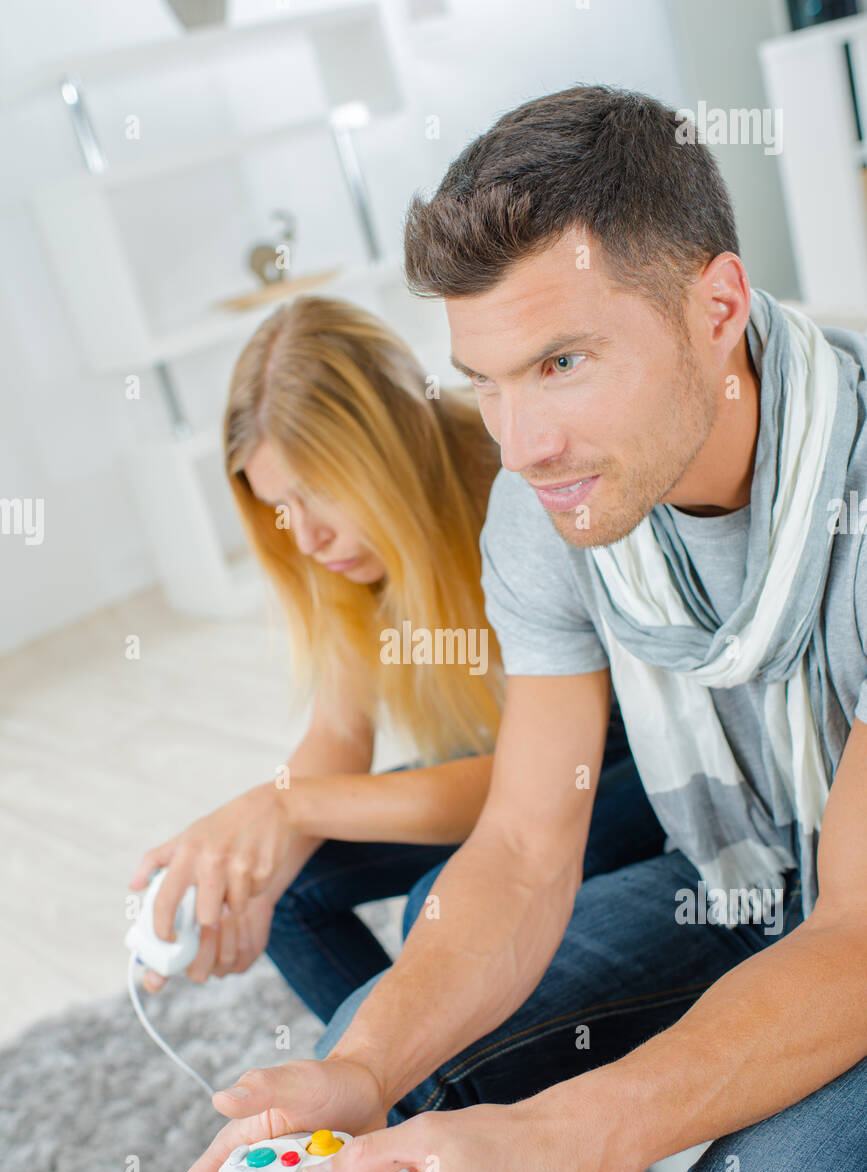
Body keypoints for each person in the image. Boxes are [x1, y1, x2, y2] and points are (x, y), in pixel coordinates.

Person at [171, 85, 867, 1172]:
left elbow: (856, 936)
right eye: (486, 381)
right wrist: (369, 1063)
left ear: (717, 308)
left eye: (561, 362)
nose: (522, 439)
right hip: (745, 870)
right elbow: (528, 843)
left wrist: (569, 1139)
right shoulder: (545, 504)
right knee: (385, 1084)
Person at [129, 292, 662, 1030]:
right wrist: (252, 865)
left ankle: (475, 1083)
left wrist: (284, 805)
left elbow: (531, 783)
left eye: (318, 493)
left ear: (388, 447)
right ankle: (424, 1098)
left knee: (436, 909)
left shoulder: (520, 490)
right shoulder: (335, 544)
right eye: (280, 507)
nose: (304, 538)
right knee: (285, 893)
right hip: (513, 766)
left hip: (629, 764)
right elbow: (341, 735)